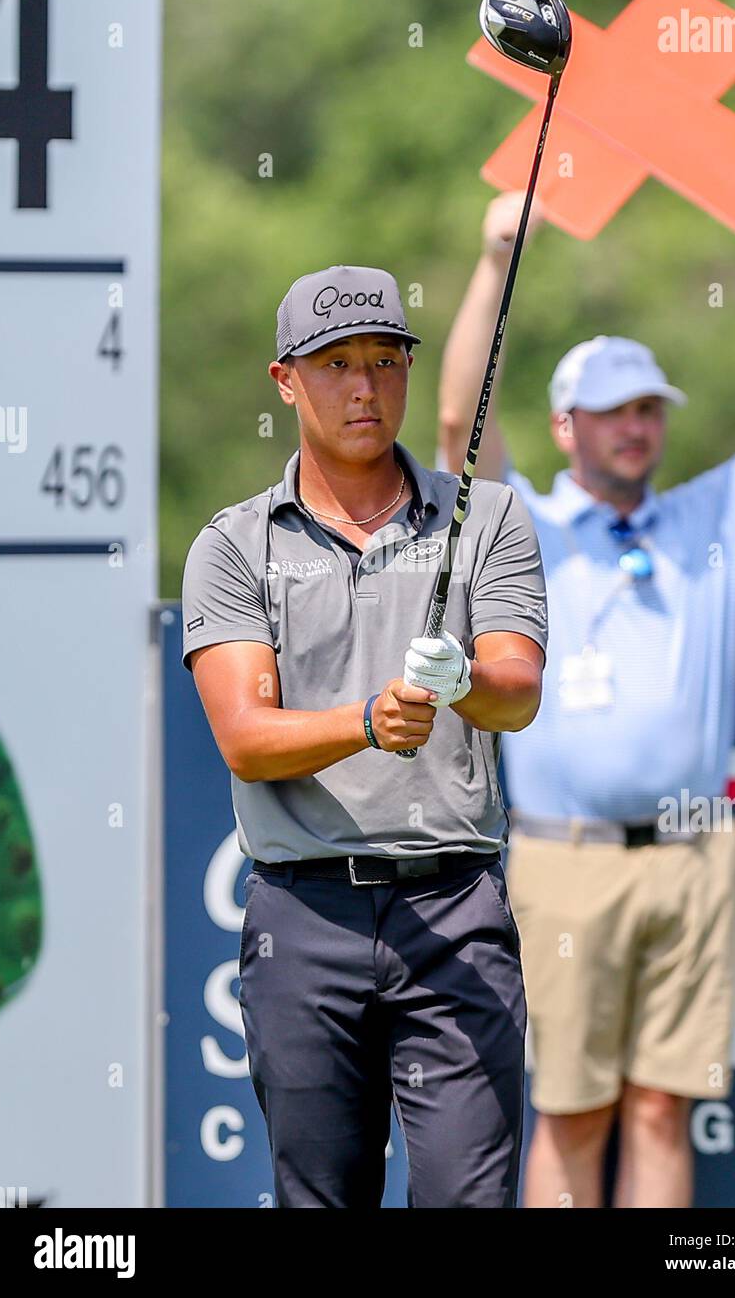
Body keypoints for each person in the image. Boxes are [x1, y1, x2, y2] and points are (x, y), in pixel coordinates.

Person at [437, 193, 735, 1208]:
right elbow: (456, 424)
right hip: (562, 858)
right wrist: (495, 261)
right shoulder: (521, 527)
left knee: (665, 1110)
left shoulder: (707, 517)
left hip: (692, 854)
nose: (635, 428)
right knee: (570, 1116)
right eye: (614, 410)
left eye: (647, 408)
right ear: (564, 425)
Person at [181, 264, 549, 1208]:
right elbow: (246, 739)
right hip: (306, 919)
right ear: (284, 381)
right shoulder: (233, 545)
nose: (364, 387)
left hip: (456, 912)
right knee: (322, 1199)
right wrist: (363, 723)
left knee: (469, 1200)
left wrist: (463, 680)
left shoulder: (489, 517)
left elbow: (519, 692)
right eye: (336, 363)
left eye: (386, 361)